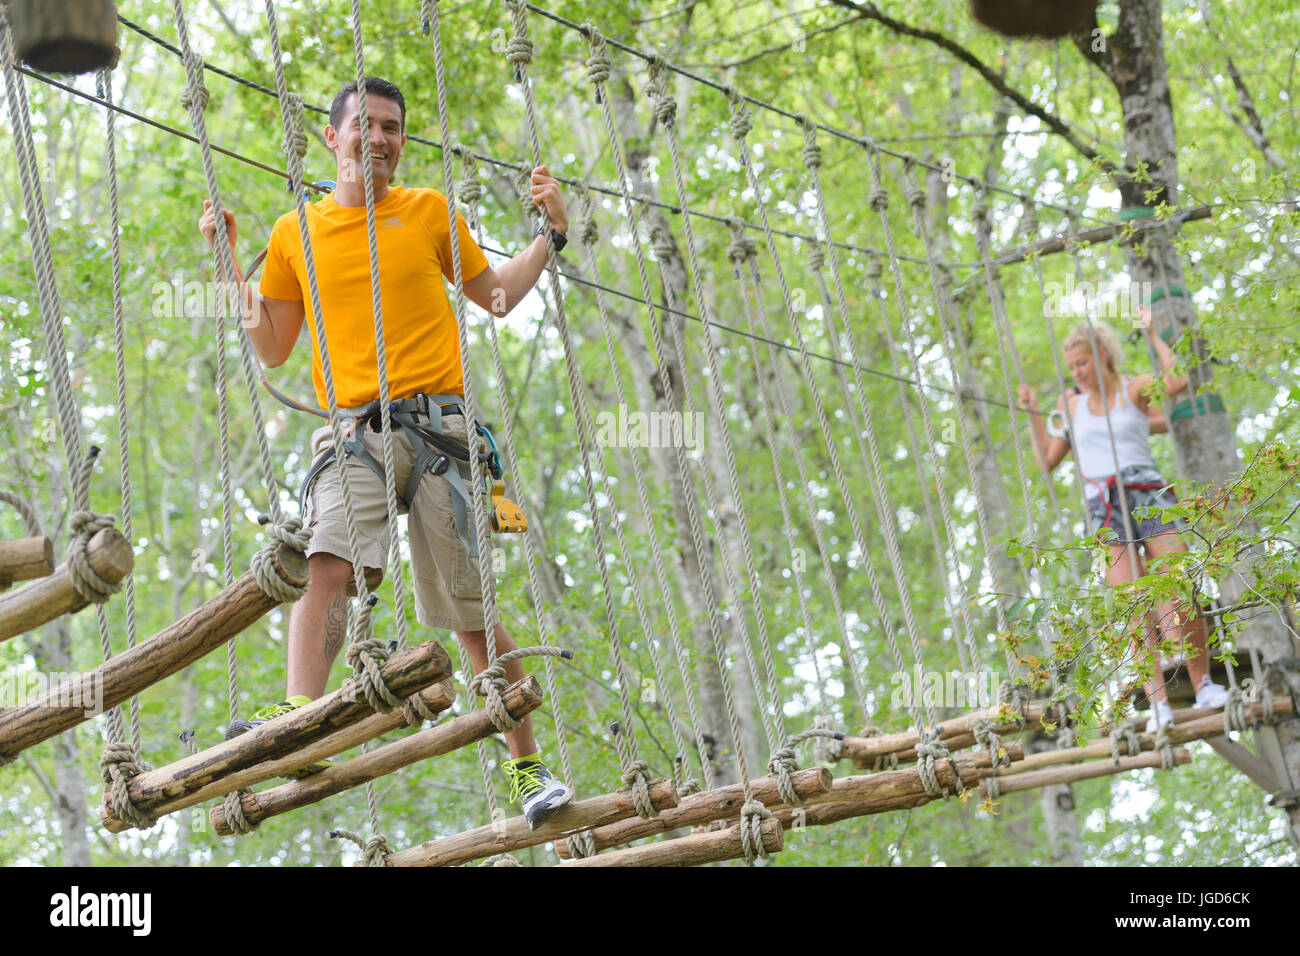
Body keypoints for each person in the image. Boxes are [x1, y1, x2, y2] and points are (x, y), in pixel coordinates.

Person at [198, 77, 574, 825]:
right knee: (327, 562)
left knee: (470, 608)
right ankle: (300, 719)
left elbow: (494, 297)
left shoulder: (429, 211)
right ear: (331, 137)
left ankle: (528, 769)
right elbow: (271, 348)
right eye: (364, 125)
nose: (379, 138)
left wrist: (550, 236)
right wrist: (225, 262)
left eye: (393, 128)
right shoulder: (294, 233)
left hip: (439, 431)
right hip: (354, 432)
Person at [1020, 312, 1229, 731]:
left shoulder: (1134, 389)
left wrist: (1152, 332)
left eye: (1082, 362)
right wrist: (1033, 415)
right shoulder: (1070, 404)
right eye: (1072, 366)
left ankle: (1203, 683)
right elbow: (1046, 461)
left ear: (1103, 356)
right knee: (1133, 603)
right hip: (1103, 505)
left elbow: (1178, 380)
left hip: (1147, 493)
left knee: (1175, 583)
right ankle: (1158, 704)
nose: (1076, 372)